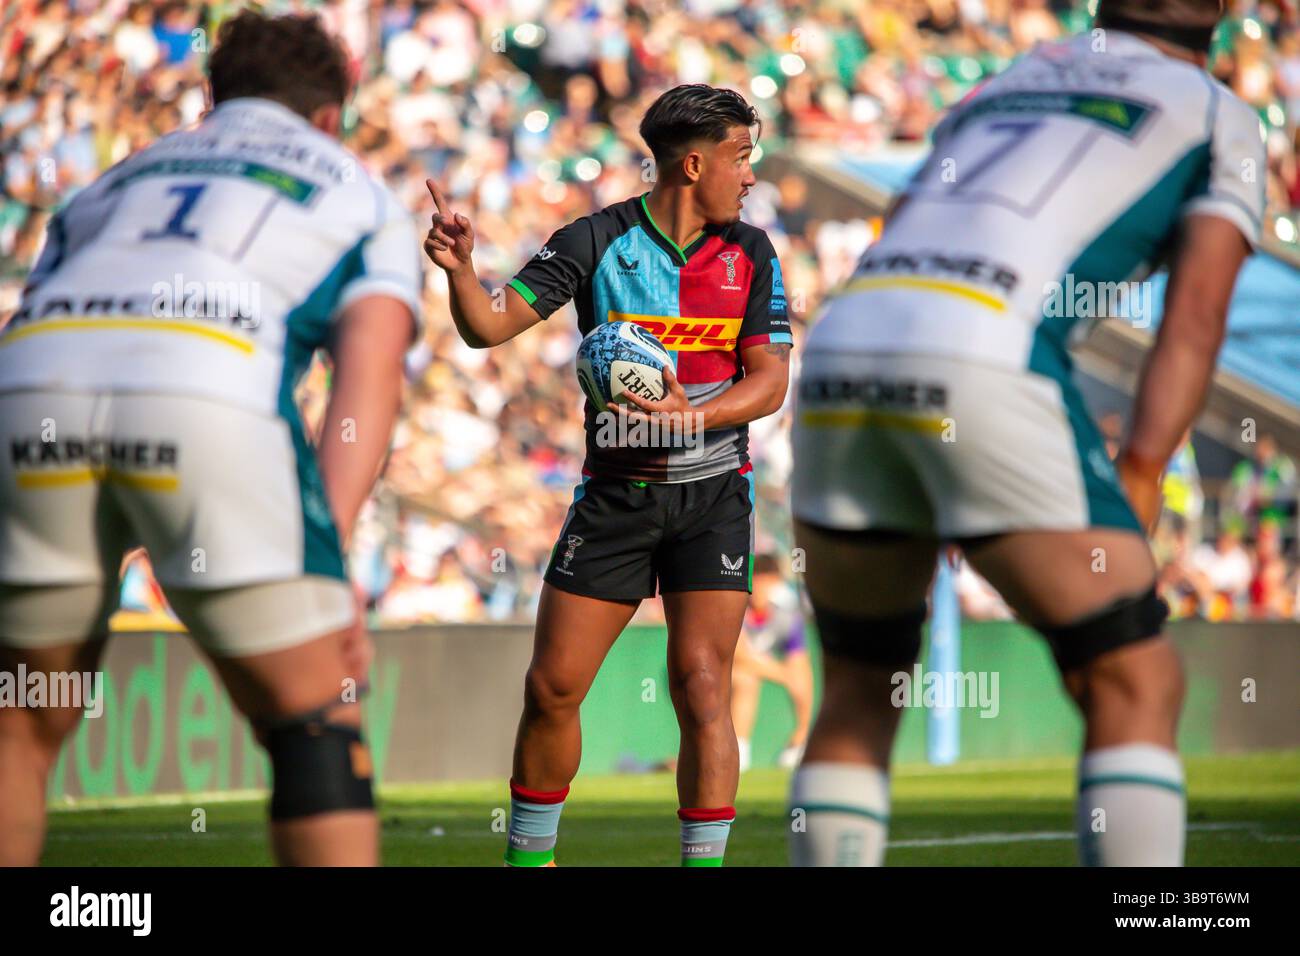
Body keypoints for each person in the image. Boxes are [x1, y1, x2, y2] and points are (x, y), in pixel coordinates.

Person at [788, 0, 1263, 866]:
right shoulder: (1216, 114)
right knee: (1134, 677)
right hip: (982, 347)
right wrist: (1145, 472)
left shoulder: (1018, 74)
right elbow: (1194, 323)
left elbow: (916, 217)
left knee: (860, 681)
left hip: (844, 344)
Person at [0, 11, 422, 866]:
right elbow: (370, 375)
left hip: (30, 391)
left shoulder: (111, 183)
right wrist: (329, 565)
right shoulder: (357, 189)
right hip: (206, 396)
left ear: (211, 94)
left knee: (19, 724)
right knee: (315, 723)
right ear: (333, 113)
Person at [422, 83, 792, 866]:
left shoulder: (752, 253)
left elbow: (769, 382)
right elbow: (489, 326)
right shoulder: (593, 240)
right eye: (740, 158)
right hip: (615, 498)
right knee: (552, 687)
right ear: (693, 164)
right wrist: (460, 269)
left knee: (701, 685)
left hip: (713, 496)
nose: (750, 176)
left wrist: (690, 418)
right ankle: (530, 861)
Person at [731, 554, 813, 771]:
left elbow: (798, 658)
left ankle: (801, 739)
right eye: (757, 581)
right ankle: (739, 753)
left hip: (763, 668)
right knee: (746, 678)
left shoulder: (785, 615)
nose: (762, 588)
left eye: (767, 581)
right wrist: (785, 675)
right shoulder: (736, 607)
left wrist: (791, 674)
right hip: (724, 674)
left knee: (801, 669)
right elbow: (739, 657)